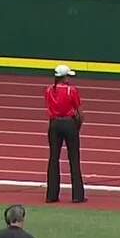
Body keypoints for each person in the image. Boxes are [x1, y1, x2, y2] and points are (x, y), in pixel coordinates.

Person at [44, 64, 85, 203]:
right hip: (69, 123)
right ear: (64, 77)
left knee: (53, 159)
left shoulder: (49, 90)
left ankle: (51, 195)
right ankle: (77, 195)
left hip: (54, 124)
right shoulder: (71, 90)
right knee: (74, 159)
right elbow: (79, 112)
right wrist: (77, 126)